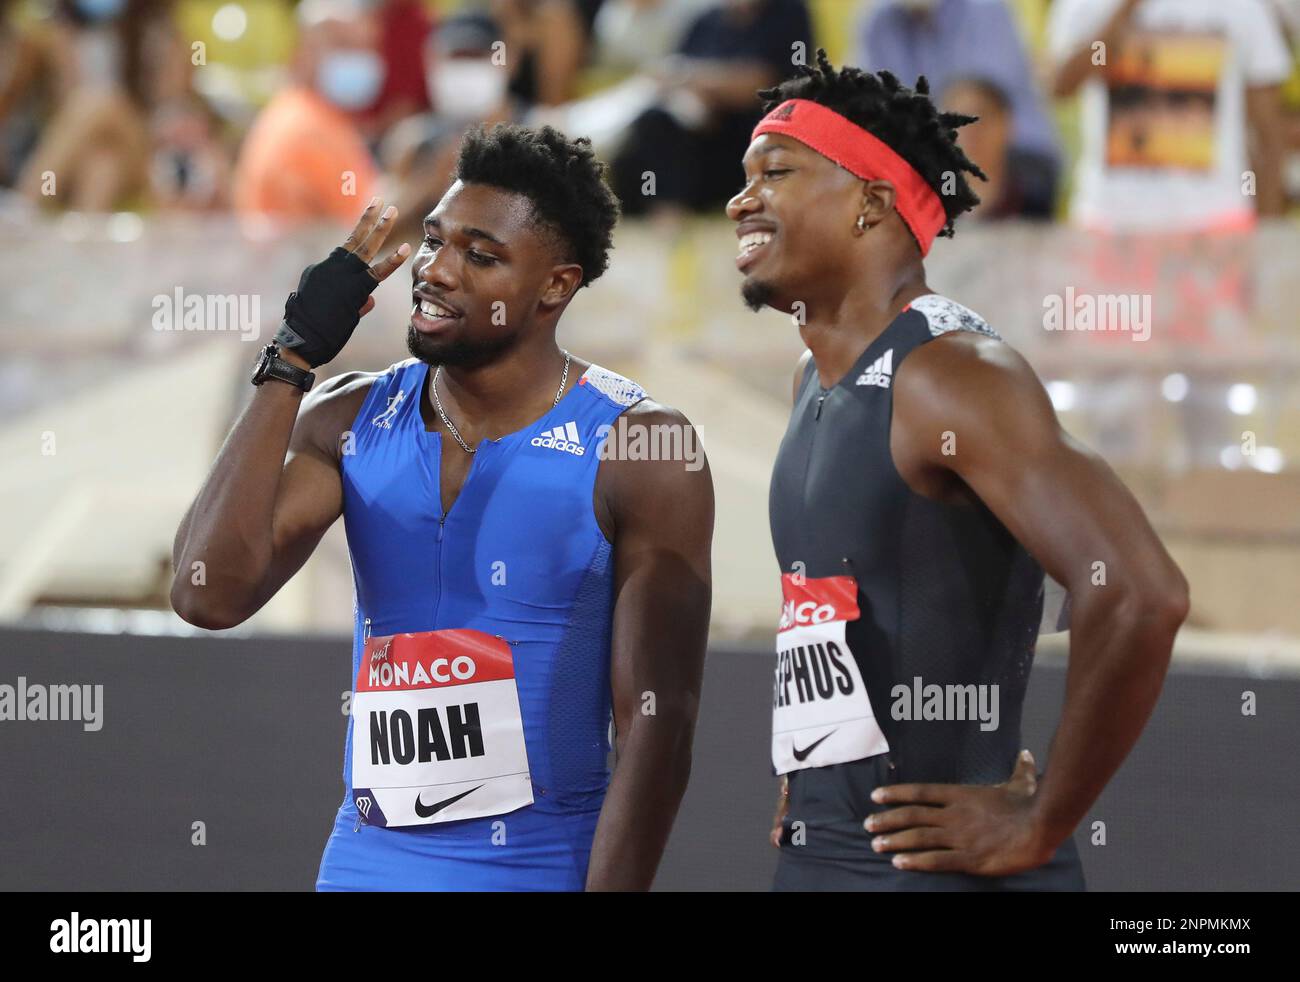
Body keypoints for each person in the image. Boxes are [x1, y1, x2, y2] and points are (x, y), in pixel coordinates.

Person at [172, 123, 714, 891]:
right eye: (434, 241)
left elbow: (657, 726)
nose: (436, 271)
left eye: (480, 255)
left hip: (538, 868)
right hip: (366, 865)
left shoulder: (641, 449)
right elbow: (206, 592)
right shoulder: (350, 418)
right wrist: (289, 358)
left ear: (556, 285)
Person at [726, 51, 1189, 890]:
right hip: (828, 846)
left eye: (776, 172)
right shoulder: (814, 383)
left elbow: (1140, 592)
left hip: (939, 867)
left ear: (871, 203)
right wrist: (815, 770)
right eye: (743, 176)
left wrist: (1043, 819)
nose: (741, 199)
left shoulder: (951, 374)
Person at [1048, 0, 1291, 231]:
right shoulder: (1086, 4)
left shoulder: (1244, 7)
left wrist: (1266, 234)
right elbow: (1060, 86)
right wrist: (1122, 13)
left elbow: (1268, 136)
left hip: (1217, 225)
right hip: (1108, 223)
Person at [232, 0, 382, 226]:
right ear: (304, 51)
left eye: (367, 47)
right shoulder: (306, 128)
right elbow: (364, 228)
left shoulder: (310, 115)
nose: (359, 58)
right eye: (344, 45)